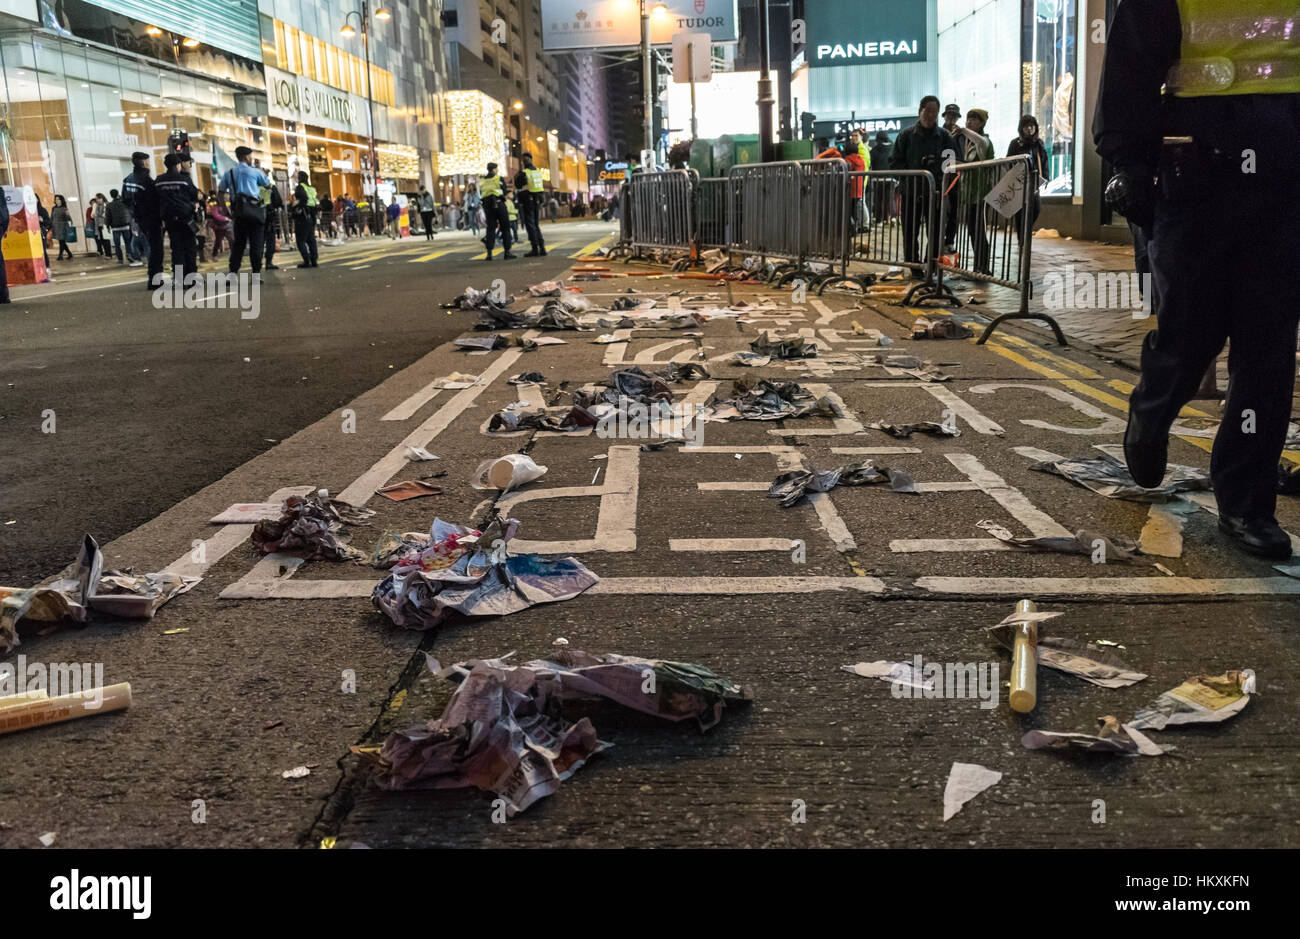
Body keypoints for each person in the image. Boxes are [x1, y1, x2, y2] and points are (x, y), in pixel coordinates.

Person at [1094, 0, 1300, 559]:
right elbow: (1132, 63)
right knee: (1191, 328)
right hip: (1198, 159)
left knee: (1269, 344)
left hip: (1286, 160)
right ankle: (1153, 408)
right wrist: (1129, 164)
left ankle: (1247, 501)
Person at [890, 95, 956, 273]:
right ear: (920, 111)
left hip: (935, 194)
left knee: (935, 232)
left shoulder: (945, 137)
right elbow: (894, 162)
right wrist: (913, 173)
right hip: (911, 192)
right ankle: (914, 267)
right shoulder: (905, 136)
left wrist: (940, 175)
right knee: (910, 233)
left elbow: (951, 165)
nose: (930, 115)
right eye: (927, 111)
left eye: (934, 111)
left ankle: (932, 265)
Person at [217, 145, 270, 274]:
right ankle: (256, 273)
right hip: (255, 212)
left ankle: (233, 273)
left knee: (238, 245)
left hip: (239, 213)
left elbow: (220, 193)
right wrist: (264, 203)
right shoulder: (256, 172)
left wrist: (225, 210)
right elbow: (268, 186)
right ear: (247, 157)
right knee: (256, 245)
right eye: (250, 156)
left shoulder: (229, 173)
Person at [954, 108, 995, 275]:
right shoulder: (968, 144)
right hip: (970, 194)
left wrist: (963, 130)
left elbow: (980, 142)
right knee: (972, 230)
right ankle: (979, 266)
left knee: (978, 231)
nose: (969, 122)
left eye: (974, 120)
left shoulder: (984, 141)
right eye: (968, 119)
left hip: (981, 194)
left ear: (982, 123)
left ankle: (983, 266)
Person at [156, 151, 200, 283]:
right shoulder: (184, 180)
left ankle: (179, 278)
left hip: (169, 219)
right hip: (185, 218)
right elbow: (194, 195)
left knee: (176, 249)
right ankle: (191, 278)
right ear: (178, 165)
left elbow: (156, 198)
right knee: (190, 248)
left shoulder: (159, 180)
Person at [1006, 115, 1048, 239]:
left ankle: (1026, 232)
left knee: (1036, 209)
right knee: (1020, 212)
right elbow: (1009, 161)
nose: (1029, 129)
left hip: (1034, 182)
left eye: (1032, 126)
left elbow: (1044, 161)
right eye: (1026, 126)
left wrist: (1045, 177)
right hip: (1019, 183)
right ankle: (1022, 238)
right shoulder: (1015, 143)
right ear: (1021, 128)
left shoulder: (1038, 143)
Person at [122, 151, 160, 285]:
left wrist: (133, 211)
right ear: (143, 162)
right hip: (149, 218)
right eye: (147, 160)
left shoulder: (128, 179)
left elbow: (125, 199)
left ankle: (153, 277)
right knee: (153, 248)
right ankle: (154, 278)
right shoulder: (146, 180)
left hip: (136, 218)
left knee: (145, 244)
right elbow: (153, 201)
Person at [478, 161, 514, 260]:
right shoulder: (499, 178)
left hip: (488, 207)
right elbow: (505, 190)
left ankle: (489, 254)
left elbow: (481, 193)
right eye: (497, 169)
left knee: (490, 228)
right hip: (499, 204)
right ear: (494, 169)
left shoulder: (482, 180)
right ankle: (507, 252)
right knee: (505, 227)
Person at [514, 152, 547, 256]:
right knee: (536, 224)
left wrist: (518, 176)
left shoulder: (524, 173)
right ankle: (542, 247)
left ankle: (535, 248)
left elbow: (518, 185)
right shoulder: (537, 171)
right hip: (536, 199)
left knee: (530, 224)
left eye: (524, 159)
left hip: (527, 200)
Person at [291, 170, 319, 268]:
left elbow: (302, 199)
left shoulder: (300, 187)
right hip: (311, 216)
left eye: (296, 177)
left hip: (302, 216)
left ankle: (306, 260)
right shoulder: (311, 188)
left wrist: (296, 207)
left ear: (300, 178)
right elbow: (316, 203)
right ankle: (314, 260)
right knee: (311, 240)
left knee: (300, 240)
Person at [106, 189, 138, 265]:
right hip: (125, 225)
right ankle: (129, 255)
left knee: (117, 244)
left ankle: (120, 259)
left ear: (111, 195)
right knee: (128, 242)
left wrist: (108, 225)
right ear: (118, 194)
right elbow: (130, 212)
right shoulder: (124, 203)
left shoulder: (109, 205)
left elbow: (108, 217)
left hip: (115, 227)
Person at [258, 172, 283, 270]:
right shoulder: (272, 187)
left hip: (257, 217)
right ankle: (269, 262)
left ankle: (257, 262)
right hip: (269, 216)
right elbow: (278, 202)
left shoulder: (254, 187)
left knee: (258, 241)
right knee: (270, 240)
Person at [869, 131, 895, 224]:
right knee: (890, 198)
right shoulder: (893, 148)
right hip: (891, 177)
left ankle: (879, 219)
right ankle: (893, 217)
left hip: (878, 177)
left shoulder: (874, 150)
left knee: (879, 199)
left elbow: (870, 163)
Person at [842, 141, 867, 232]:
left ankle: (851, 228)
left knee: (848, 210)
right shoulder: (861, 160)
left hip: (849, 189)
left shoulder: (847, 160)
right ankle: (856, 227)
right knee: (855, 209)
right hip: (858, 189)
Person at [51, 195, 73, 260]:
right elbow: (51, 217)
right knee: (62, 241)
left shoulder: (64, 208)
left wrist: (67, 215)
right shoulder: (53, 208)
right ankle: (69, 254)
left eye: (58, 199)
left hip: (63, 227)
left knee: (61, 241)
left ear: (61, 200)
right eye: (56, 199)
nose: (56, 200)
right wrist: (50, 225)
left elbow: (69, 219)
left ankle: (60, 256)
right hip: (56, 226)